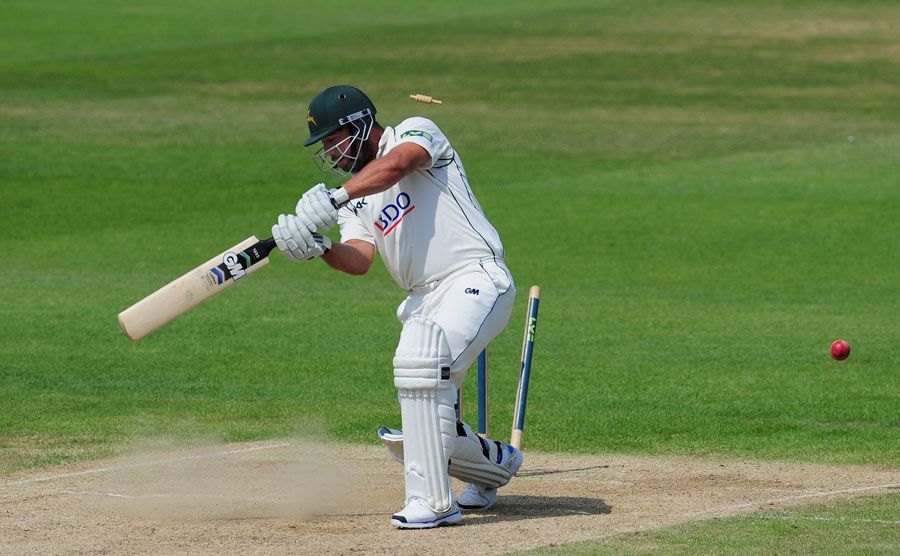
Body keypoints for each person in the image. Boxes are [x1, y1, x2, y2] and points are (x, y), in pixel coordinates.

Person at [271, 85, 521, 529]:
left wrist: (334, 197)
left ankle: (434, 504)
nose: (330, 153)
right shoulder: (358, 198)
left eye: (334, 140)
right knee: (427, 405)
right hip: (422, 300)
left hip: (475, 277)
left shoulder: (415, 131)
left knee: (423, 374)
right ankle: (492, 468)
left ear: (361, 125)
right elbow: (360, 259)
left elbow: (400, 164)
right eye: (324, 146)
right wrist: (321, 247)